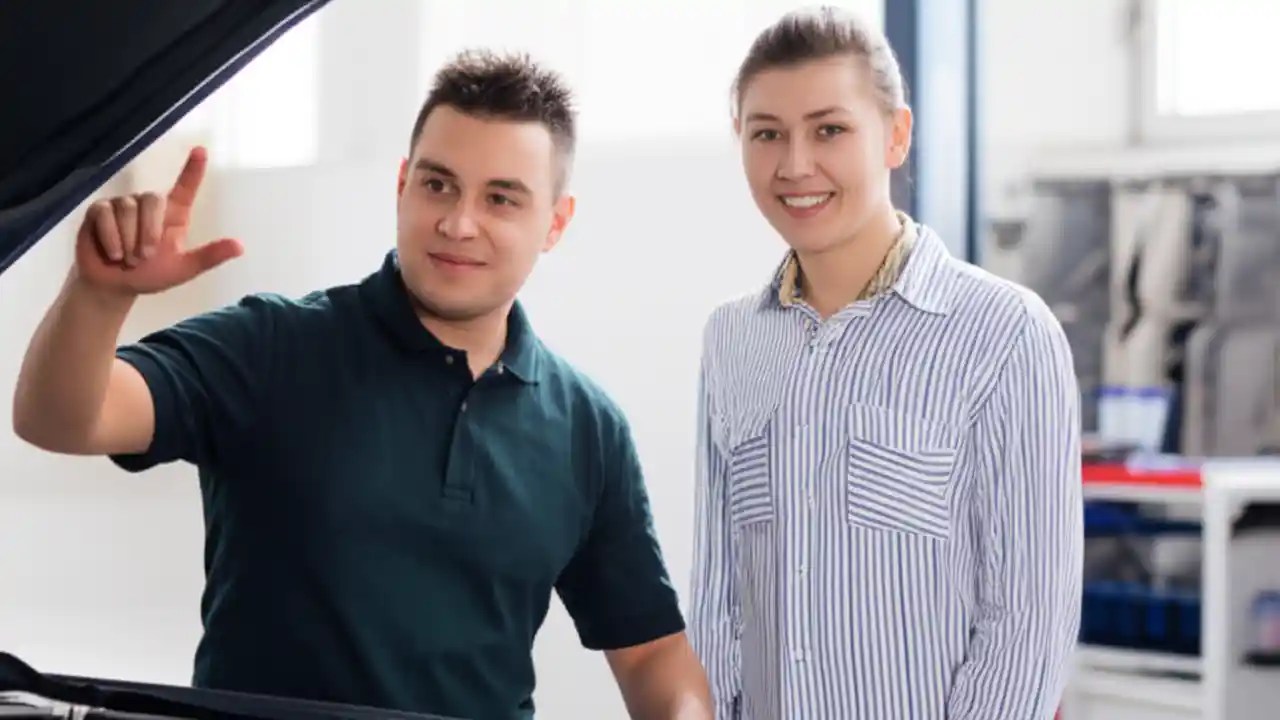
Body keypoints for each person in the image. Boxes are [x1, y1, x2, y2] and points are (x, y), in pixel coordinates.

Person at [12, 49, 713, 720]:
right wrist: (97, 297)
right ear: (402, 183)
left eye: (501, 199)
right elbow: (63, 419)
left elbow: (650, 651)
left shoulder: (587, 428)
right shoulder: (272, 346)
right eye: (438, 183)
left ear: (554, 223)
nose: (457, 222)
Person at [687, 7, 1082, 720]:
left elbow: (1027, 624)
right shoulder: (731, 340)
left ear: (896, 135)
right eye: (766, 133)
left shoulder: (1006, 335)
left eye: (829, 130)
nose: (795, 164)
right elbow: (718, 602)